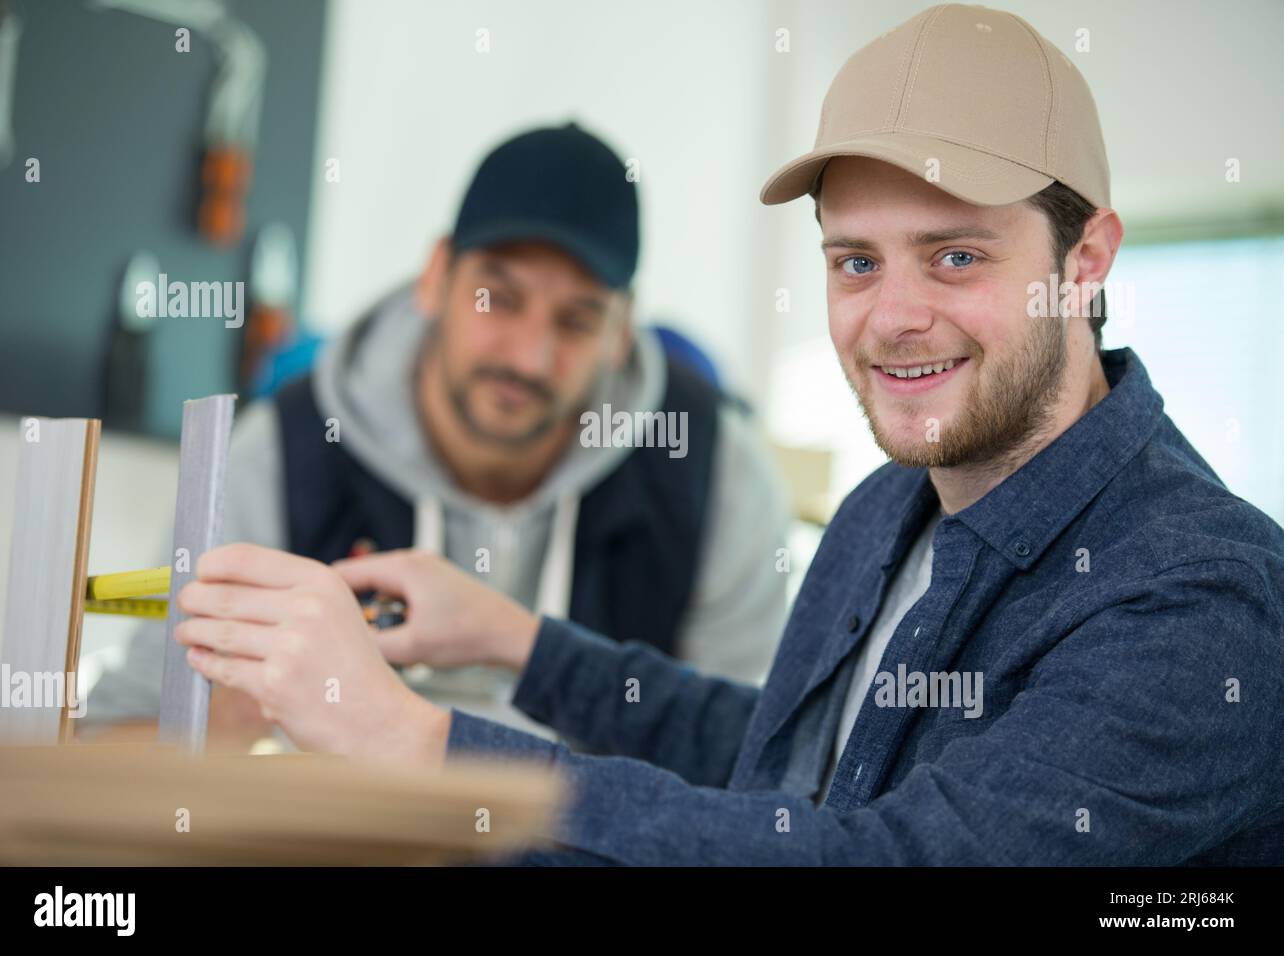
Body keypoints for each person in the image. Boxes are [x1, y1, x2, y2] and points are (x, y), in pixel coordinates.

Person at [168, 4, 1284, 864]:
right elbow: (792, 768)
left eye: (955, 255)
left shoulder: (1198, 599)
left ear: (1083, 261)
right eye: (854, 260)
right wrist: (519, 641)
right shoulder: (889, 509)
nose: (891, 317)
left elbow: (888, 859)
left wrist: (421, 746)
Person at [87, 123, 791, 738]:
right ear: (435, 277)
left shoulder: (718, 478)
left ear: (620, 331)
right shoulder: (278, 455)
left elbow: (751, 762)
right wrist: (226, 731)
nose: (528, 356)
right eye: (499, 298)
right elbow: (135, 724)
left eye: (576, 320)